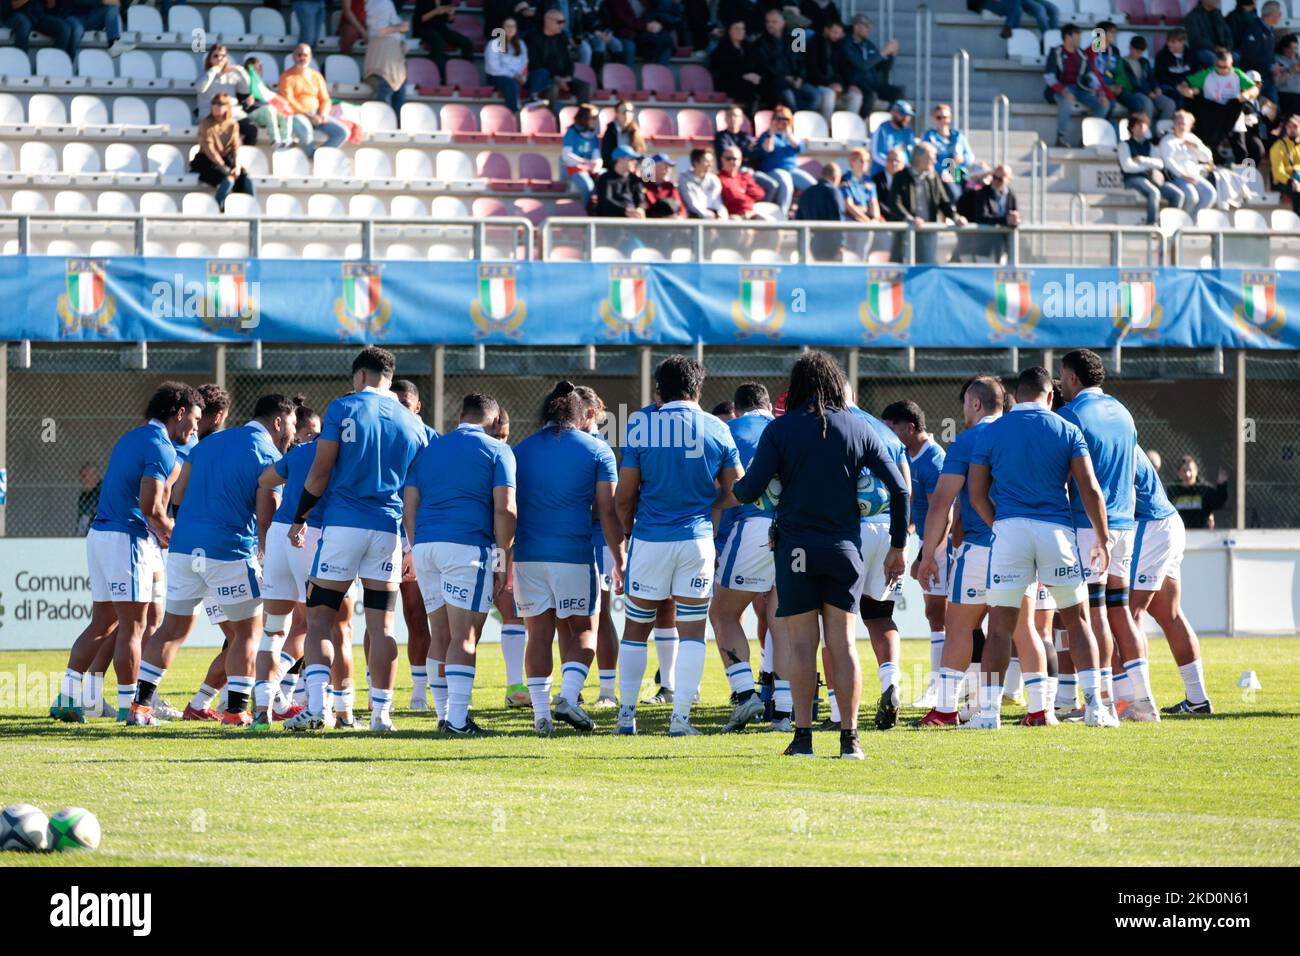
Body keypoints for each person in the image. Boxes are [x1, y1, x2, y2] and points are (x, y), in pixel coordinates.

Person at [727, 351, 908, 759]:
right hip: (845, 548)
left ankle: (804, 738)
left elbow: (749, 490)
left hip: (794, 549)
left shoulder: (781, 429)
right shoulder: (859, 427)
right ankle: (850, 740)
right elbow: (899, 489)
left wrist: (738, 489)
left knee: (802, 646)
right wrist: (897, 545)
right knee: (843, 644)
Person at [127, 394, 297, 728]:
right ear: (278, 422)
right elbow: (267, 515)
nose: (292, 431)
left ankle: (140, 707)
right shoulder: (268, 454)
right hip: (228, 550)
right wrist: (269, 554)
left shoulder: (206, 444)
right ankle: (235, 711)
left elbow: (177, 496)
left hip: (184, 547)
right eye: (291, 424)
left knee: (171, 629)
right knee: (249, 632)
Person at [283, 348, 430, 733]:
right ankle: (381, 716)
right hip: (388, 530)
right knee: (383, 627)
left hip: (343, 527)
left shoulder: (343, 408)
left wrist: (299, 516)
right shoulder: (414, 423)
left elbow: (320, 471)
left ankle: (318, 709)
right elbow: (418, 489)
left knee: (319, 619)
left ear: (361, 376)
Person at [965, 367, 1112, 728]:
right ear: (1050, 396)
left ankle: (988, 715)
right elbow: (1090, 489)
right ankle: (1095, 709)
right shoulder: (1067, 428)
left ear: (1016, 396)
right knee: (1077, 621)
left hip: (1010, 531)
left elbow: (976, 494)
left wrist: (999, 523)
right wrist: (1102, 537)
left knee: (1000, 627)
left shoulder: (993, 430)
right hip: (1057, 533)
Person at [50, 383, 201, 723]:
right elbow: (150, 507)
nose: (194, 427)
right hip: (127, 538)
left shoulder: (132, 437)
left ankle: (67, 697)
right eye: (193, 418)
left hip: (102, 535)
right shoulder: (161, 446)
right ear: (179, 413)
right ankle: (133, 710)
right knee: (134, 626)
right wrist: (174, 532)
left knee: (103, 623)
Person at [615, 356, 741, 738]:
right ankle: (681, 720)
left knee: (636, 628)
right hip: (697, 540)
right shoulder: (717, 428)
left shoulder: (640, 424)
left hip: (650, 539)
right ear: (698, 390)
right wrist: (710, 504)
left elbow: (624, 496)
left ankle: (625, 718)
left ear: (658, 389)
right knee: (692, 631)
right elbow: (740, 489)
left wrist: (627, 533)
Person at [513, 382, 624, 735]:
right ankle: (569, 696)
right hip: (574, 554)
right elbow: (607, 511)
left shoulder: (519, 450)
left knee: (538, 635)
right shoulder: (597, 451)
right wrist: (620, 558)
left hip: (527, 555)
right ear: (582, 415)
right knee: (584, 631)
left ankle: (542, 716)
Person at [402, 394, 514, 736]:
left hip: (426, 546)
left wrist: (416, 545)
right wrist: (503, 557)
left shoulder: (430, 448)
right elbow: (505, 510)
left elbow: (409, 506)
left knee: (442, 634)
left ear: (460, 417)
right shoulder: (498, 450)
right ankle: (459, 720)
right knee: (465, 636)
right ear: (495, 422)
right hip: (466, 546)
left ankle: (444, 715)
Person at [1057, 348, 1157, 723]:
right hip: (1124, 524)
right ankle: (1142, 700)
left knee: (1091, 611)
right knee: (1120, 610)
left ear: (1072, 378)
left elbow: (1066, 477)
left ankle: (1099, 701)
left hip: (1089, 526)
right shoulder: (1123, 412)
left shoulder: (1071, 415)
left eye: (1062, 376)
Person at [916, 375, 1003, 727]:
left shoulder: (968, 441)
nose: (963, 410)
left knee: (959, 626)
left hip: (981, 548)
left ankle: (947, 708)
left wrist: (927, 556)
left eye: (966, 403)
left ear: (976, 403)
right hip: (1022, 545)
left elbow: (941, 503)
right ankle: (1036, 707)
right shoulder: (1019, 434)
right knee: (1020, 629)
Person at [706, 383, 774, 733]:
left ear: (739, 409)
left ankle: (745, 693)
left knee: (722, 611)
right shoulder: (786, 426)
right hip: (801, 530)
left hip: (752, 528)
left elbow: (723, 490)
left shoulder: (726, 429)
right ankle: (785, 708)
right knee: (785, 619)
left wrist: (715, 513)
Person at [1127, 447, 1213, 716]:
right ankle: (1198, 699)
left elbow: (1126, 496)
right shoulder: (1115, 425)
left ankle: (1137, 700)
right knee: (1169, 614)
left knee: (1127, 613)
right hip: (1168, 522)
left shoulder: (1093, 428)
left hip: (1149, 525)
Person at [880, 400, 949, 708]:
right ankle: (945, 684)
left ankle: (941, 686)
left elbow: (942, 511)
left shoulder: (933, 459)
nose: (888, 435)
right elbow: (914, 511)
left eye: (891, 429)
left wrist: (927, 554)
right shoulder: (908, 456)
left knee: (939, 614)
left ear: (909, 427)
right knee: (935, 613)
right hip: (928, 541)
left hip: (943, 545)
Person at [389, 380, 442, 712]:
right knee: (387, 615)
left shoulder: (432, 440)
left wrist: (414, 543)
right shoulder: (384, 435)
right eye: (394, 404)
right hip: (383, 531)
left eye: (405, 404)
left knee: (422, 613)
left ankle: (422, 692)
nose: (400, 410)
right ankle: (378, 691)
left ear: (418, 406)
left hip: (421, 536)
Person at [1179, 47, 1259, 162]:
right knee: (1210, 144)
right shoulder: (1207, 74)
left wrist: (1247, 94)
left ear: (1231, 63)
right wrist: (1185, 90)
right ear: (1215, 64)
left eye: (1226, 67)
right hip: (1213, 114)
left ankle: (1245, 173)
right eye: (1219, 66)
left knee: (1240, 147)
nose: (1222, 70)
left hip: (1232, 112)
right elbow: (1185, 83)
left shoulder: (1238, 74)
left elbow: (1254, 89)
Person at [889, 141, 963, 264]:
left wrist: (955, 217)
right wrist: (910, 219)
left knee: (926, 265)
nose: (934, 161)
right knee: (902, 267)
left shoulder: (933, 177)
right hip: (906, 232)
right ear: (919, 158)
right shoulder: (900, 177)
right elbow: (895, 203)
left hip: (927, 231)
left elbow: (943, 201)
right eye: (931, 158)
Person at [1044, 23, 1109, 148]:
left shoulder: (1082, 55)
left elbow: (1090, 76)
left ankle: (1086, 139)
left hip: (1079, 89)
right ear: (1068, 37)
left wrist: (1101, 93)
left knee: (1103, 105)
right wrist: (1063, 91)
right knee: (1066, 100)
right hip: (1059, 90)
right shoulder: (1055, 52)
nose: (1080, 39)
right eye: (1077, 35)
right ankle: (1061, 137)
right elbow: (1049, 77)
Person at [279, 43, 348, 158]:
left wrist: (323, 115)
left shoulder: (316, 76)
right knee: (306, 132)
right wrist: (309, 116)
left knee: (342, 132)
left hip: (317, 114)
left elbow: (325, 99)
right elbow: (288, 101)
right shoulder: (286, 76)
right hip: (297, 114)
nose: (302, 58)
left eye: (305, 55)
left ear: (310, 57)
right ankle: (312, 157)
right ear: (293, 56)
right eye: (299, 55)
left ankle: (317, 156)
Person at [192, 94, 256, 212]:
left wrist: (237, 166)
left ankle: (252, 209)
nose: (216, 107)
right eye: (214, 104)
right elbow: (209, 149)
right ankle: (217, 207)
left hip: (227, 159)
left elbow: (235, 146)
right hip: (207, 161)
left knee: (247, 180)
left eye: (220, 104)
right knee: (228, 180)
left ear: (227, 107)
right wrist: (222, 167)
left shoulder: (233, 124)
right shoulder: (206, 124)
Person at [1121, 112, 1184, 225]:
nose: (1142, 128)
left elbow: (1160, 164)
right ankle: (1151, 224)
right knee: (1154, 193)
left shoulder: (1150, 145)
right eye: (1139, 125)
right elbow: (1127, 167)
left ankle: (1168, 223)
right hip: (1132, 179)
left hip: (1152, 178)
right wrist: (1149, 165)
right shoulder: (1124, 145)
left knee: (1178, 195)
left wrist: (1142, 160)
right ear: (1132, 128)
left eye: (1144, 125)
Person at [1089, 20, 1156, 124]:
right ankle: (1104, 130)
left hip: (1114, 88)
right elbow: (1091, 74)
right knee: (1109, 104)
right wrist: (1105, 87)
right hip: (1099, 89)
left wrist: (1119, 85)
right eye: (1111, 32)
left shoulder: (1115, 51)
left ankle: (1132, 133)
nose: (1114, 35)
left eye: (1115, 32)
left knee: (1136, 103)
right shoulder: (1091, 51)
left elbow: (1120, 72)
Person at [753, 105, 815, 215]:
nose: (782, 122)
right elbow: (767, 150)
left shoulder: (791, 136)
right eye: (778, 118)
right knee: (786, 182)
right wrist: (771, 133)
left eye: (785, 119)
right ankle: (783, 216)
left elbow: (799, 148)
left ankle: (805, 215)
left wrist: (789, 134)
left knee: (813, 186)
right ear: (773, 120)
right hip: (772, 171)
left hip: (791, 170)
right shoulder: (766, 135)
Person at [836, 13, 901, 117]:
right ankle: (861, 122)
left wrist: (891, 55)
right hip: (856, 82)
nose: (869, 29)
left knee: (897, 92)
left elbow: (882, 68)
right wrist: (884, 51)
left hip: (872, 82)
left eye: (870, 26)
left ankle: (887, 122)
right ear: (856, 27)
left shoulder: (869, 45)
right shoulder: (847, 44)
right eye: (866, 25)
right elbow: (862, 65)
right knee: (870, 94)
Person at [527, 7, 593, 109]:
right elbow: (536, 65)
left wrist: (568, 77)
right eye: (559, 22)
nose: (562, 25)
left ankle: (581, 120)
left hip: (563, 77)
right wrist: (556, 78)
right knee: (553, 88)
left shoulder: (562, 37)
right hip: (546, 79)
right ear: (547, 21)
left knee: (586, 87)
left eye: (563, 22)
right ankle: (550, 121)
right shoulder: (534, 38)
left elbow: (569, 61)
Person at [1159, 109, 1217, 216]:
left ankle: (1192, 220)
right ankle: (1182, 222)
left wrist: (1196, 147)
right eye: (1178, 123)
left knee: (1210, 194)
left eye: (1184, 124)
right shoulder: (1167, 141)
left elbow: (1207, 158)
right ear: (1174, 124)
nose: (1181, 126)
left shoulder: (1193, 139)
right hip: (1177, 176)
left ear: (1190, 126)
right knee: (1192, 196)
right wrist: (1184, 176)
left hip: (1194, 175)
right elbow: (1169, 163)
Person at [714, 103, 779, 199]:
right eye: (730, 115)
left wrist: (769, 136)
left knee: (773, 186)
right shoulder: (721, 136)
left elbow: (757, 153)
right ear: (725, 118)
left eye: (736, 116)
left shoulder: (746, 136)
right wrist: (746, 153)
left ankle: (761, 209)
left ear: (741, 119)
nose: (733, 118)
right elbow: (728, 154)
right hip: (733, 173)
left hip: (749, 173)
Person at [959, 163, 1019, 263]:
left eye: (1000, 179)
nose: (996, 181)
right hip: (983, 247)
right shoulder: (982, 193)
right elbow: (981, 217)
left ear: (1008, 179)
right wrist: (1005, 220)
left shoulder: (1011, 194)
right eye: (994, 177)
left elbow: (1014, 215)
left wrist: (1015, 219)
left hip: (1003, 246)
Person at [196, 45, 256, 143]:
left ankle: (241, 154)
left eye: (223, 56)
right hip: (210, 114)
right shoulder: (204, 74)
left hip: (233, 113)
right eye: (215, 56)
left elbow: (246, 90)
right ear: (210, 59)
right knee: (218, 137)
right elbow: (200, 88)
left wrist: (240, 70)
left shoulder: (233, 74)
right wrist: (213, 71)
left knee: (252, 130)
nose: (219, 58)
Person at [793, 161, 846, 261]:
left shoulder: (807, 193)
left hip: (812, 245)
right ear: (835, 178)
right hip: (832, 244)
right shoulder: (833, 191)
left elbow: (798, 219)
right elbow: (839, 219)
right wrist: (841, 244)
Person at [364, 0, 410, 114]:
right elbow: (381, 29)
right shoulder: (380, 3)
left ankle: (396, 125)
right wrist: (401, 28)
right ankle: (386, 125)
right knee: (385, 88)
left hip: (392, 55)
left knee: (397, 91)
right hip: (384, 54)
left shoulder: (385, 3)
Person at [921, 102, 973, 203]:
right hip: (938, 175)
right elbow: (926, 158)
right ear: (934, 118)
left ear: (950, 118)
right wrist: (944, 170)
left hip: (958, 173)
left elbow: (969, 156)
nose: (942, 121)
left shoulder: (958, 137)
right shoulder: (929, 137)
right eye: (938, 117)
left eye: (945, 117)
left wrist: (962, 159)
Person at [709, 20, 762, 116]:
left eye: (742, 29)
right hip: (729, 81)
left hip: (749, 81)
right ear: (729, 31)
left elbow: (757, 64)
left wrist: (756, 75)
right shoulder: (721, 49)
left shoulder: (748, 47)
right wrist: (744, 75)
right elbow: (723, 70)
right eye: (737, 29)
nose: (740, 31)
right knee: (748, 88)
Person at [1121, 36, 1176, 125]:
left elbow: (1151, 78)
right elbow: (1131, 83)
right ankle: (1146, 133)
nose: (1139, 54)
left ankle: (1162, 132)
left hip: (1150, 92)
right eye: (1137, 51)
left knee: (1169, 104)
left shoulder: (1144, 62)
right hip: (1135, 92)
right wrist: (1148, 93)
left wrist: (1157, 88)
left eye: (1141, 52)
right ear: (1131, 48)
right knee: (1147, 103)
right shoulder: (1122, 63)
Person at [244, 56, 296, 149]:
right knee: (270, 109)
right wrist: (247, 101)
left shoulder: (263, 85)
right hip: (252, 112)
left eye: (260, 68)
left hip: (266, 113)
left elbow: (270, 97)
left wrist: (281, 104)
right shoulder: (243, 83)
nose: (258, 71)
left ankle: (285, 139)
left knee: (285, 111)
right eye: (254, 69)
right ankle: (275, 141)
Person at [1167, 454, 1230, 529]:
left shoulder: (1205, 489)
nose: (1188, 474)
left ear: (1196, 470)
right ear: (1179, 473)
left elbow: (1218, 503)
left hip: (1201, 533)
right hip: (1180, 532)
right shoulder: (1172, 490)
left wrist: (1222, 486)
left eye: (1190, 470)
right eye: (1184, 470)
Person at [412, 0, 474, 75]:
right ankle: (437, 74)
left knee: (467, 44)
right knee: (439, 43)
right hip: (423, 28)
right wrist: (436, 11)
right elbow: (420, 19)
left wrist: (451, 14)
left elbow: (450, 20)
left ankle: (466, 72)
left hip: (441, 29)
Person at [840, 147, 880, 258]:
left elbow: (873, 202)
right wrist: (866, 220)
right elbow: (849, 205)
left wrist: (875, 219)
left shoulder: (868, 180)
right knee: (866, 232)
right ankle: (861, 262)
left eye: (867, 161)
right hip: (851, 219)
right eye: (861, 161)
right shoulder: (845, 180)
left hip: (866, 219)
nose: (864, 164)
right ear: (852, 161)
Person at [609, 0, 677, 66]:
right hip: (627, 33)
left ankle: (660, 76)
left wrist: (658, 25)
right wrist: (645, 26)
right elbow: (623, 20)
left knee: (665, 43)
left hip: (645, 33)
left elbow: (660, 14)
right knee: (629, 47)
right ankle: (627, 76)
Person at [485, 17, 531, 113]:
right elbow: (494, 68)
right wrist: (514, 75)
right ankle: (513, 111)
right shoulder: (494, 43)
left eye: (513, 26)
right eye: (508, 26)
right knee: (511, 84)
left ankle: (533, 99)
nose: (510, 29)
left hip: (517, 76)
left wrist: (520, 76)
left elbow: (524, 62)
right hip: (496, 76)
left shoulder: (521, 44)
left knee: (539, 75)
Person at [561, 103, 602, 211]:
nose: (595, 120)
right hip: (573, 168)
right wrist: (585, 163)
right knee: (587, 185)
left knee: (606, 178)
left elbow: (596, 155)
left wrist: (597, 164)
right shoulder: (572, 132)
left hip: (588, 168)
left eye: (596, 118)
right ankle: (589, 211)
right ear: (584, 118)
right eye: (592, 118)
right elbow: (566, 156)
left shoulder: (593, 135)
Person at [60, 0, 134, 58]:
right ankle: (68, 62)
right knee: (77, 30)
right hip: (72, 16)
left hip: (90, 17)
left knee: (112, 7)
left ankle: (113, 44)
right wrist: (102, 1)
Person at [3, 0, 76, 58]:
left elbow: (52, 8)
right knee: (24, 24)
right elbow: (11, 6)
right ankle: (20, 63)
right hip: (16, 15)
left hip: (37, 16)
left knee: (64, 28)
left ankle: (51, 64)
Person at [571, 0, 631, 71]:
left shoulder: (600, 2)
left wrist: (609, 32)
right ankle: (594, 74)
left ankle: (615, 75)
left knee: (617, 45)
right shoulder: (578, 3)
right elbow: (578, 24)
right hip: (585, 33)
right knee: (599, 45)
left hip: (603, 32)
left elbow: (608, 20)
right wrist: (594, 32)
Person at [594, 144, 646, 217]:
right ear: (620, 159)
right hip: (611, 223)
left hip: (633, 220)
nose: (635, 162)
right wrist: (625, 211)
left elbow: (641, 199)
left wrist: (640, 209)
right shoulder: (605, 178)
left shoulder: (635, 180)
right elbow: (606, 202)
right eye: (631, 159)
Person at [717, 144, 769, 218]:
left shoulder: (744, 177)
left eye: (734, 159)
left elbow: (760, 194)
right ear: (722, 159)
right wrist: (746, 193)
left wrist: (742, 192)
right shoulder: (719, 178)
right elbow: (732, 197)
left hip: (751, 213)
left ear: (740, 160)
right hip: (733, 215)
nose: (732, 161)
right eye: (728, 158)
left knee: (766, 221)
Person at [869, 99, 915, 177]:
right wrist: (894, 166)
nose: (906, 118)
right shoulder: (882, 130)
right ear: (893, 113)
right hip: (882, 175)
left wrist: (904, 166)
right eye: (902, 115)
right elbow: (876, 155)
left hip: (902, 173)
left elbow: (910, 153)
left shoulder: (908, 132)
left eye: (908, 116)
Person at [681, 147, 728, 218]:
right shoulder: (684, 180)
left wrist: (721, 215)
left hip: (713, 218)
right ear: (696, 162)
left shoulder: (714, 179)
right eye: (707, 161)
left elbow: (717, 202)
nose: (710, 164)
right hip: (696, 219)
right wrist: (709, 216)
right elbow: (692, 205)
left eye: (711, 161)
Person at [1185, 0, 1234, 69]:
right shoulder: (1192, 16)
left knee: (1235, 57)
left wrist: (1227, 48)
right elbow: (1196, 38)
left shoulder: (1218, 14)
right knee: (1213, 59)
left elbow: (1227, 34)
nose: (1218, 1)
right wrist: (1214, 48)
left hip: (1222, 50)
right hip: (1202, 50)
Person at [600, 100, 646, 169]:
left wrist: (636, 167)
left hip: (633, 167)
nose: (626, 114)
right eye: (623, 110)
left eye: (629, 111)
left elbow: (640, 152)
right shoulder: (610, 131)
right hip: (615, 168)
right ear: (616, 113)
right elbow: (606, 156)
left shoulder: (635, 130)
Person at [1156, 29, 1195, 108]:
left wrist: (1187, 82)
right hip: (1169, 86)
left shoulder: (1191, 54)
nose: (1169, 44)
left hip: (1187, 86)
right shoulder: (1162, 55)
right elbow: (1160, 76)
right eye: (1168, 41)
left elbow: (1195, 72)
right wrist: (1177, 86)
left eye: (1173, 42)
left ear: (1182, 42)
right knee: (1178, 96)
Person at [1269, 112, 1300, 211]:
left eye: (1294, 126)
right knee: (1297, 191)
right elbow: (1278, 173)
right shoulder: (1278, 147)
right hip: (1284, 182)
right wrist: (1292, 180)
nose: (1291, 129)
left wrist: (1295, 169)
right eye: (1288, 126)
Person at [643, 152, 685, 217]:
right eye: (664, 167)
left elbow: (681, 208)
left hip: (670, 223)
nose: (668, 170)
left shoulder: (670, 186)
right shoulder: (642, 185)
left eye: (669, 167)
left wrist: (680, 217)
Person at [874, 145, 905, 223]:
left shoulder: (909, 181)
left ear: (903, 164)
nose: (894, 163)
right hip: (883, 223)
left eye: (897, 160)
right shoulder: (876, 180)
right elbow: (877, 203)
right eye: (891, 160)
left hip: (904, 222)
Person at [1275, 33, 1300, 120]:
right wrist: (1291, 70)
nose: (1294, 51)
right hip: (1287, 95)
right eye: (1291, 48)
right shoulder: (1277, 60)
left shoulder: (1298, 58)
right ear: (1284, 48)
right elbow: (1277, 82)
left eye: (1295, 48)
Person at [75, 463, 101, 537]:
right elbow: (82, 518)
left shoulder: (102, 491)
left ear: (95, 476)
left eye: (84, 476)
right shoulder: (83, 496)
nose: (81, 480)